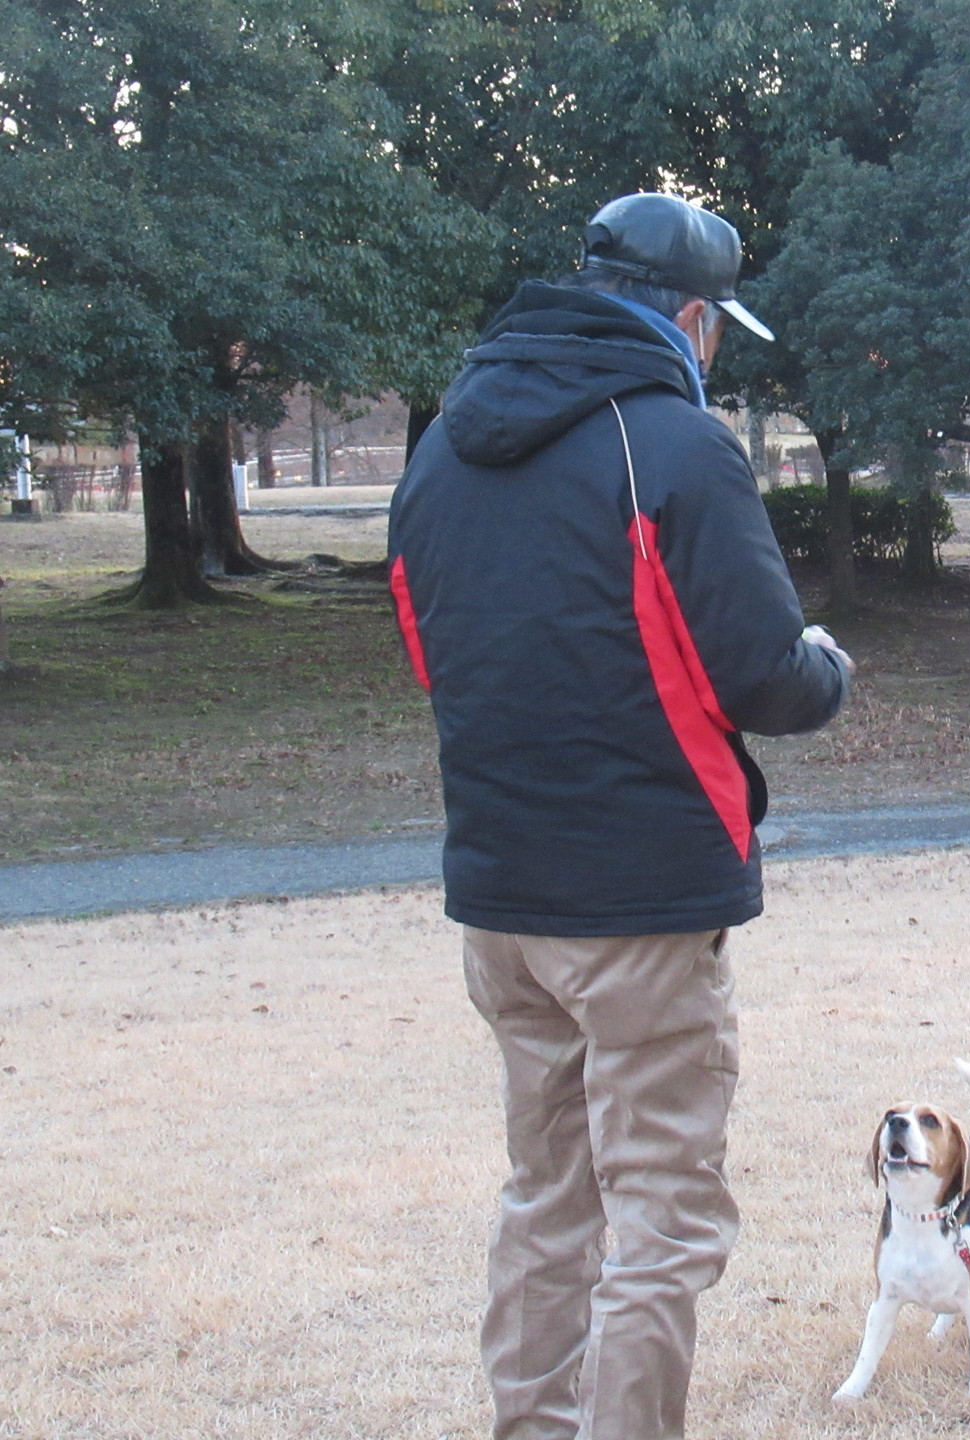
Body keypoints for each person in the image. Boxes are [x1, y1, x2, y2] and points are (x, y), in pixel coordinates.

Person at [387, 192, 851, 1440]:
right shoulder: (676, 445)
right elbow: (765, 674)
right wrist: (829, 666)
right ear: (693, 320)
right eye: (716, 335)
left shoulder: (442, 445)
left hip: (499, 894)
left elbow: (432, 650)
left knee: (549, 1196)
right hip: (640, 899)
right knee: (661, 1212)